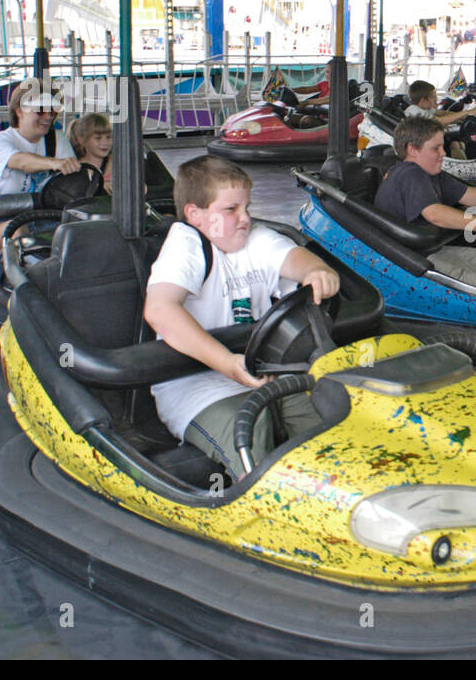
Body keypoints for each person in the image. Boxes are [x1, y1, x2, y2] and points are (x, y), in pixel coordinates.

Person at [144, 156, 341, 480]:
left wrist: (317, 272)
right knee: (251, 425)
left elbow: (295, 259)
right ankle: (260, 512)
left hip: (266, 372)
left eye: (246, 207)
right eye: (231, 210)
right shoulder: (187, 244)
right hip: (198, 388)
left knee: (328, 412)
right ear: (195, 215)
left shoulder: (253, 239)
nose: (245, 218)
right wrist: (227, 364)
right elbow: (160, 310)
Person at [374, 118, 476, 291]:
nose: (444, 153)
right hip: (411, 259)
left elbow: (467, 195)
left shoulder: (430, 172)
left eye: (442, 146)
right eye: (435, 148)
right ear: (412, 149)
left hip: (428, 249)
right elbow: (435, 214)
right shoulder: (410, 173)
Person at [0, 83, 80, 255]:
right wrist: (54, 163)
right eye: (41, 110)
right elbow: (20, 161)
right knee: (20, 237)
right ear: (19, 111)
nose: (48, 117)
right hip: (3, 219)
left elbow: (71, 178)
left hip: (46, 217)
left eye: (53, 111)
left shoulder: (57, 140)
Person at [67, 113, 113, 194]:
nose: (105, 142)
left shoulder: (120, 164)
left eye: (108, 137)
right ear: (81, 140)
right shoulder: (74, 168)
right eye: (98, 138)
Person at [405, 79, 472, 127]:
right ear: (423, 100)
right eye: (433, 97)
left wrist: (462, 118)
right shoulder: (415, 111)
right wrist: (465, 113)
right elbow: (440, 121)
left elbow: (443, 113)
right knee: (455, 144)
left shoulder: (425, 109)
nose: (436, 99)